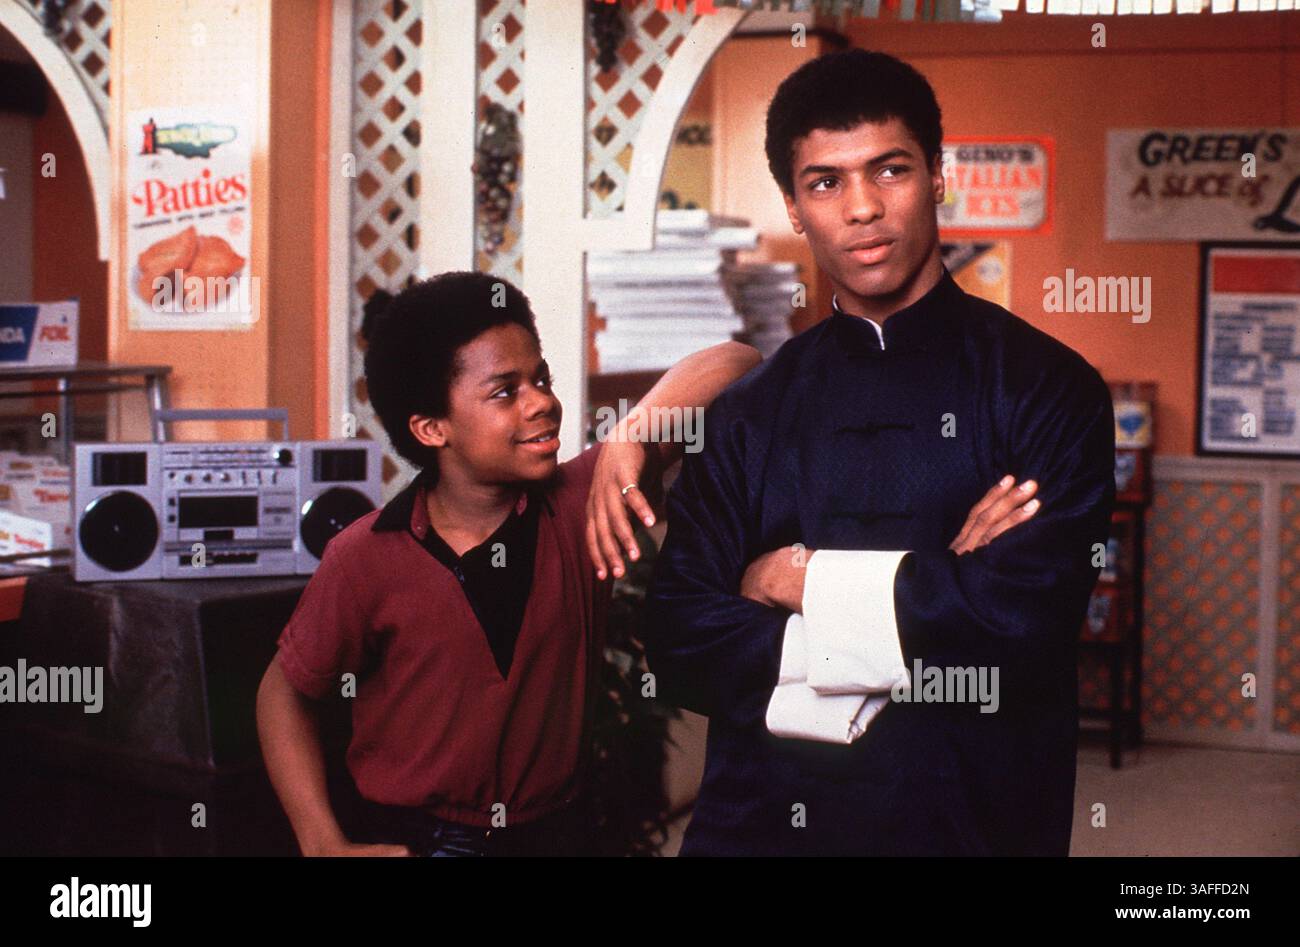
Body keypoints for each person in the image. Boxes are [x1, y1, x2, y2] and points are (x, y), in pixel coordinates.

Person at [644, 49, 1116, 856]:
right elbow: (683, 638)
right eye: (825, 182)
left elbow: (1022, 622)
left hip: (970, 817)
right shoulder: (750, 415)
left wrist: (790, 583)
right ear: (794, 208)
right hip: (760, 822)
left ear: (938, 175)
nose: (862, 207)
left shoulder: (1048, 389)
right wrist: (939, 584)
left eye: (889, 170)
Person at [256, 271, 760, 856]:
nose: (542, 401)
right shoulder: (364, 557)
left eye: (539, 377)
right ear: (431, 427)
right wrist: (321, 841)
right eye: (505, 391)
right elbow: (283, 694)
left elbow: (738, 361)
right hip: (410, 842)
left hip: (555, 836)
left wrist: (633, 434)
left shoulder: (584, 503)